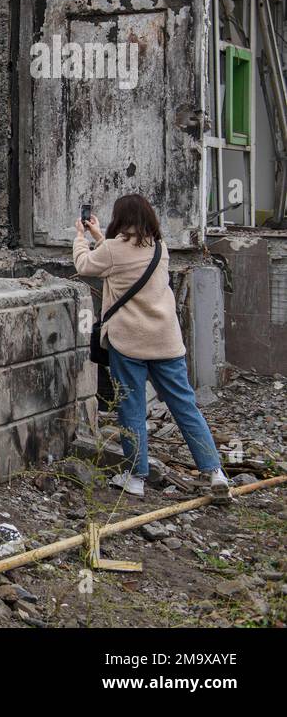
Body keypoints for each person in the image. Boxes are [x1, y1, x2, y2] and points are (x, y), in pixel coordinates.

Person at [73, 194, 230, 501]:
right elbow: (124, 259)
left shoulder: (114, 251)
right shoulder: (160, 247)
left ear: (121, 217)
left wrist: (81, 237)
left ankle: (135, 477)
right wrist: (99, 237)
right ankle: (214, 472)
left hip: (129, 343)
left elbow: (86, 264)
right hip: (167, 343)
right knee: (185, 407)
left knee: (131, 408)